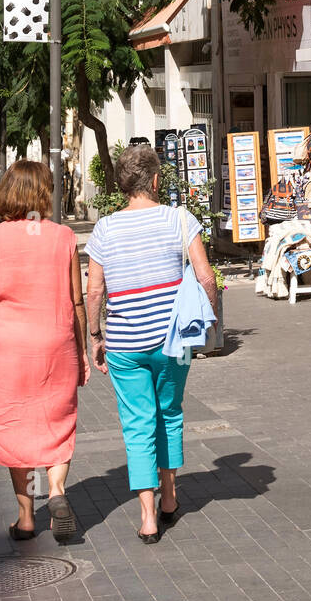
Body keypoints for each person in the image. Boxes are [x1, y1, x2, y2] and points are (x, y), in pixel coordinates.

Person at [85, 145, 217, 544]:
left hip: (125, 344)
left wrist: (95, 336)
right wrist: (207, 322)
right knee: (170, 413)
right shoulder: (179, 218)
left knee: (137, 423)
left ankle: (146, 517)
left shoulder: (104, 229)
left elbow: (94, 292)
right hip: (172, 340)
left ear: (122, 184)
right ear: (156, 181)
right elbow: (207, 277)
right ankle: (171, 497)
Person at [0, 160, 87, 545]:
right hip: (56, 342)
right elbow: (77, 301)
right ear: (44, 193)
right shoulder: (64, 237)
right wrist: (82, 351)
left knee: (13, 423)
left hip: (8, 348)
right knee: (58, 419)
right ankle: (55, 491)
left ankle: (25, 519)